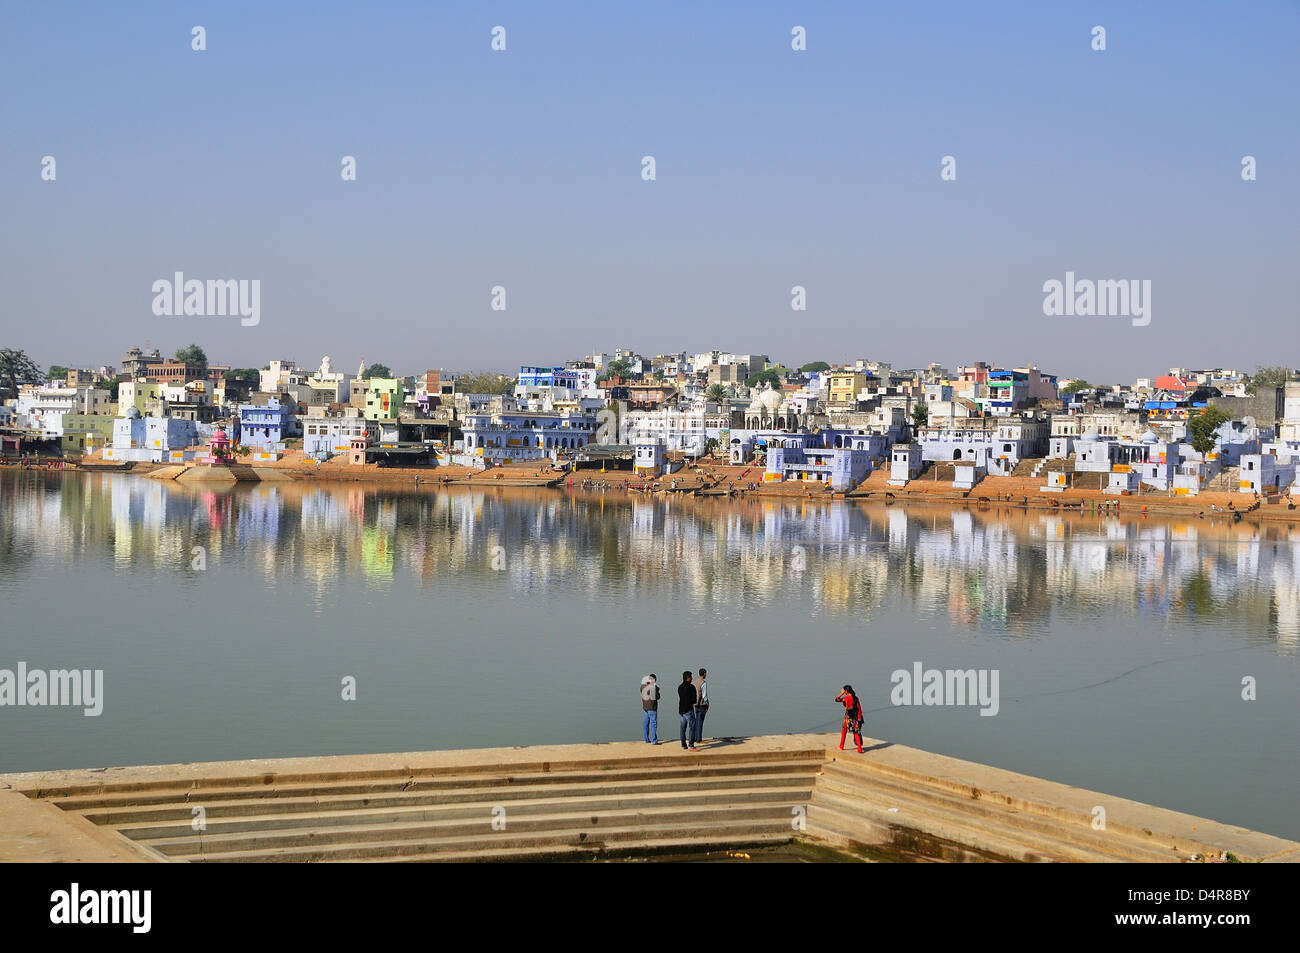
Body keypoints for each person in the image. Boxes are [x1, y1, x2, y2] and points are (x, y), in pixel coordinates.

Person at [836, 685, 864, 753]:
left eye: (844, 690)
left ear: (846, 691)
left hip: (848, 718)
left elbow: (836, 699)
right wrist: (860, 719)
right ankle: (859, 749)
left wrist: (841, 694)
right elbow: (859, 709)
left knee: (844, 731)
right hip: (855, 718)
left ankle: (841, 746)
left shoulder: (846, 698)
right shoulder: (856, 698)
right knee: (855, 733)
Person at [678, 671, 697, 750]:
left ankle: (683, 745)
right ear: (688, 678)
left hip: (681, 710)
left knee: (683, 728)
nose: (692, 678)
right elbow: (694, 700)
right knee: (692, 727)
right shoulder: (691, 687)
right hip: (689, 710)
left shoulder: (680, 687)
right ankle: (691, 745)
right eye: (691, 677)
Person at [640, 674, 660, 745]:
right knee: (653, 724)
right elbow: (657, 697)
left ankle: (646, 739)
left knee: (646, 723)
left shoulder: (642, 686)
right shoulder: (653, 688)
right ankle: (654, 740)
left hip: (645, 707)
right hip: (652, 708)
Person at [692, 668, 710, 747]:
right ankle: (699, 739)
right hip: (702, 704)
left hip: (695, 704)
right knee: (700, 722)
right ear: (704, 674)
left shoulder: (694, 682)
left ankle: (696, 737)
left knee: (697, 720)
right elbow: (704, 695)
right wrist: (708, 704)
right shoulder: (703, 683)